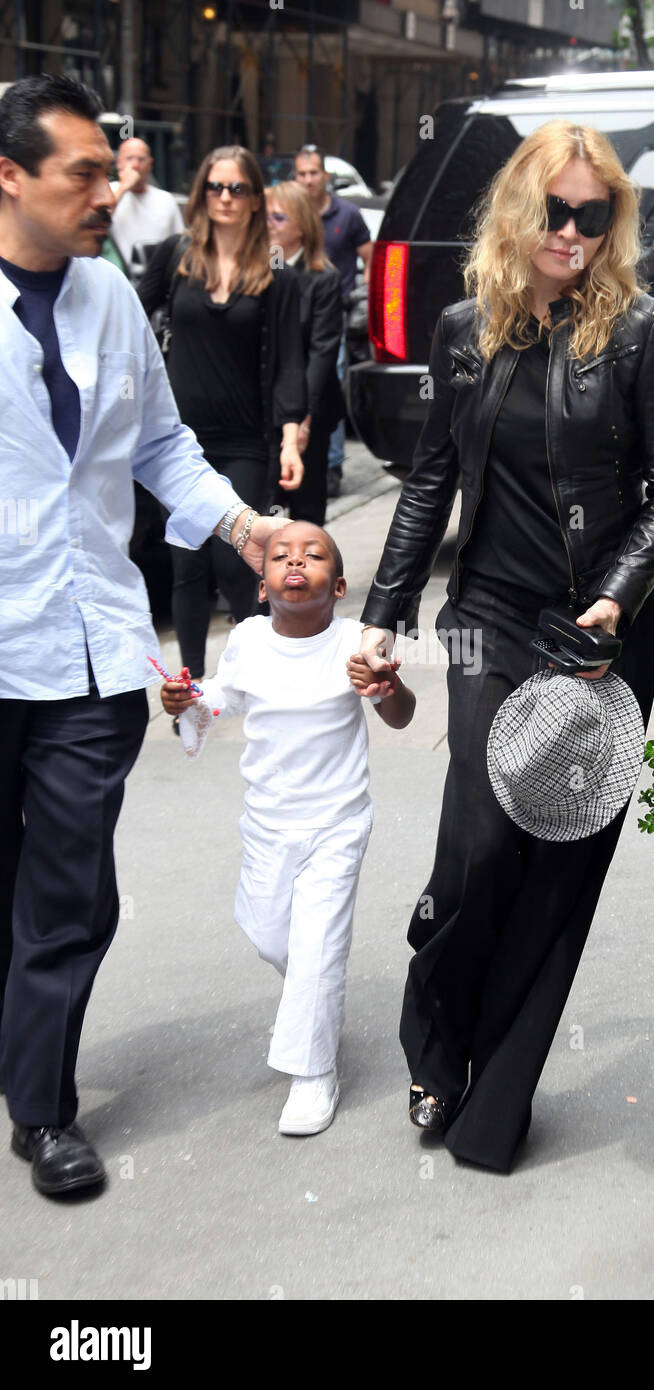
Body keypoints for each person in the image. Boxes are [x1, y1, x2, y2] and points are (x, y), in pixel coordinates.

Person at [357, 120, 654, 1173]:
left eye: (593, 216)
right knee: (482, 848)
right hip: (489, 623)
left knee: (557, 872)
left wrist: (617, 592)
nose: (571, 233)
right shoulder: (466, 328)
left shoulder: (642, 331)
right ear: (518, 208)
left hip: (594, 634)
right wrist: (384, 608)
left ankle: (494, 1096)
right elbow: (426, 482)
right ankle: (436, 1022)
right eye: (554, 210)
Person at [0, 75, 286, 1197]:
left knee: (73, 889)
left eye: (106, 173)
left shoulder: (111, 296)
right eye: (80, 172)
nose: (106, 193)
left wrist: (243, 523)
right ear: (9, 176)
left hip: (90, 647)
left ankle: (43, 1110)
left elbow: (161, 444)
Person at [161, 523, 415, 1135]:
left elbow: (401, 714)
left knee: (316, 949)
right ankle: (311, 1001)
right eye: (280, 555)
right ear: (261, 585)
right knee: (274, 938)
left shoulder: (357, 641)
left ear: (341, 584)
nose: (295, 562)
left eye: (313, 554)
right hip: (268, 823)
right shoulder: (247, 639)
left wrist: (385, 687)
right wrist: (189, 699)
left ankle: (313, 1072)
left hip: (337, 822)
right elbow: (227, 695)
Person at [139, 145, 305, 681]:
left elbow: (288, 361)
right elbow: (131, 323)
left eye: (237, 188)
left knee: (235, 558)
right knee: (186, 560)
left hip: (244, 439)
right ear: (202, 193)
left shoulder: (275, 272)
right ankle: (189, 684)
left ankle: (252, 672)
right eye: (216, 187)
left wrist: (288, 440)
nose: (225, 198)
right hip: (179, 438)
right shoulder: (176, 255)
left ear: (256, 198)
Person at [293, 144, 372, 499]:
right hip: (294, 313)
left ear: (325, 176)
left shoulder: (348, 215)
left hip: (335, 312)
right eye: (302, 174)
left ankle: (332, 464)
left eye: (313, 173)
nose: (308, 180)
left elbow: (370, 259)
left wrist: (362, 294)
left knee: (330, 378)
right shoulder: (288, 214)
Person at [266, 181, 344, 525]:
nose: (269, 224)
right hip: (266, 407)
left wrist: (301, 420)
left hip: (312, 405)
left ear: (303, 226)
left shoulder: (322, 278)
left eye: (279, 218)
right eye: (265, 216)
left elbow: (322, 351)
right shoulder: (256, 271)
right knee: (264, 503)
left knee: (307, 509)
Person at [109, 137, 184, 281]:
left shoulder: (166, 200)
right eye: (129, 158)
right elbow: (101, 219)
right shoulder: (109, 192)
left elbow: (179, 243)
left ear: (150, 164)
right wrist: (124, 187)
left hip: (156, 280)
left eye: (141, 159)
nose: (135, 165)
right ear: (119, 163)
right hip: (118, 277)